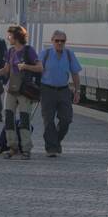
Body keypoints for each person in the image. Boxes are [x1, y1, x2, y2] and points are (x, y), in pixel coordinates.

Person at [0, 25, 41, 159]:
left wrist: (26, 66)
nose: (8, 38)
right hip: (11, 89)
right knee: (8, 118)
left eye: (10, 36)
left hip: (24, 90)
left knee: (24, 119)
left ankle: (26, 149)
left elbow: (40, 68)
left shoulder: (29, 51)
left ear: (17, 37)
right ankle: (12, 146)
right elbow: (6, 70)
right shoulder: (10, 51)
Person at [39, 29, 82, 157]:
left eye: (62, 41)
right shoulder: (45, 54)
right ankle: (51, 148)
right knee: (48, 120)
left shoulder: (69, 54)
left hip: (63, 90)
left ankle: (56, 141)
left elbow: (75, 73)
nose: (59, 43)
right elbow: (37, 70)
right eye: (57, 41)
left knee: (66, 119)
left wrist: (77, 91)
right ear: (52, 41)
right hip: (47, 90)